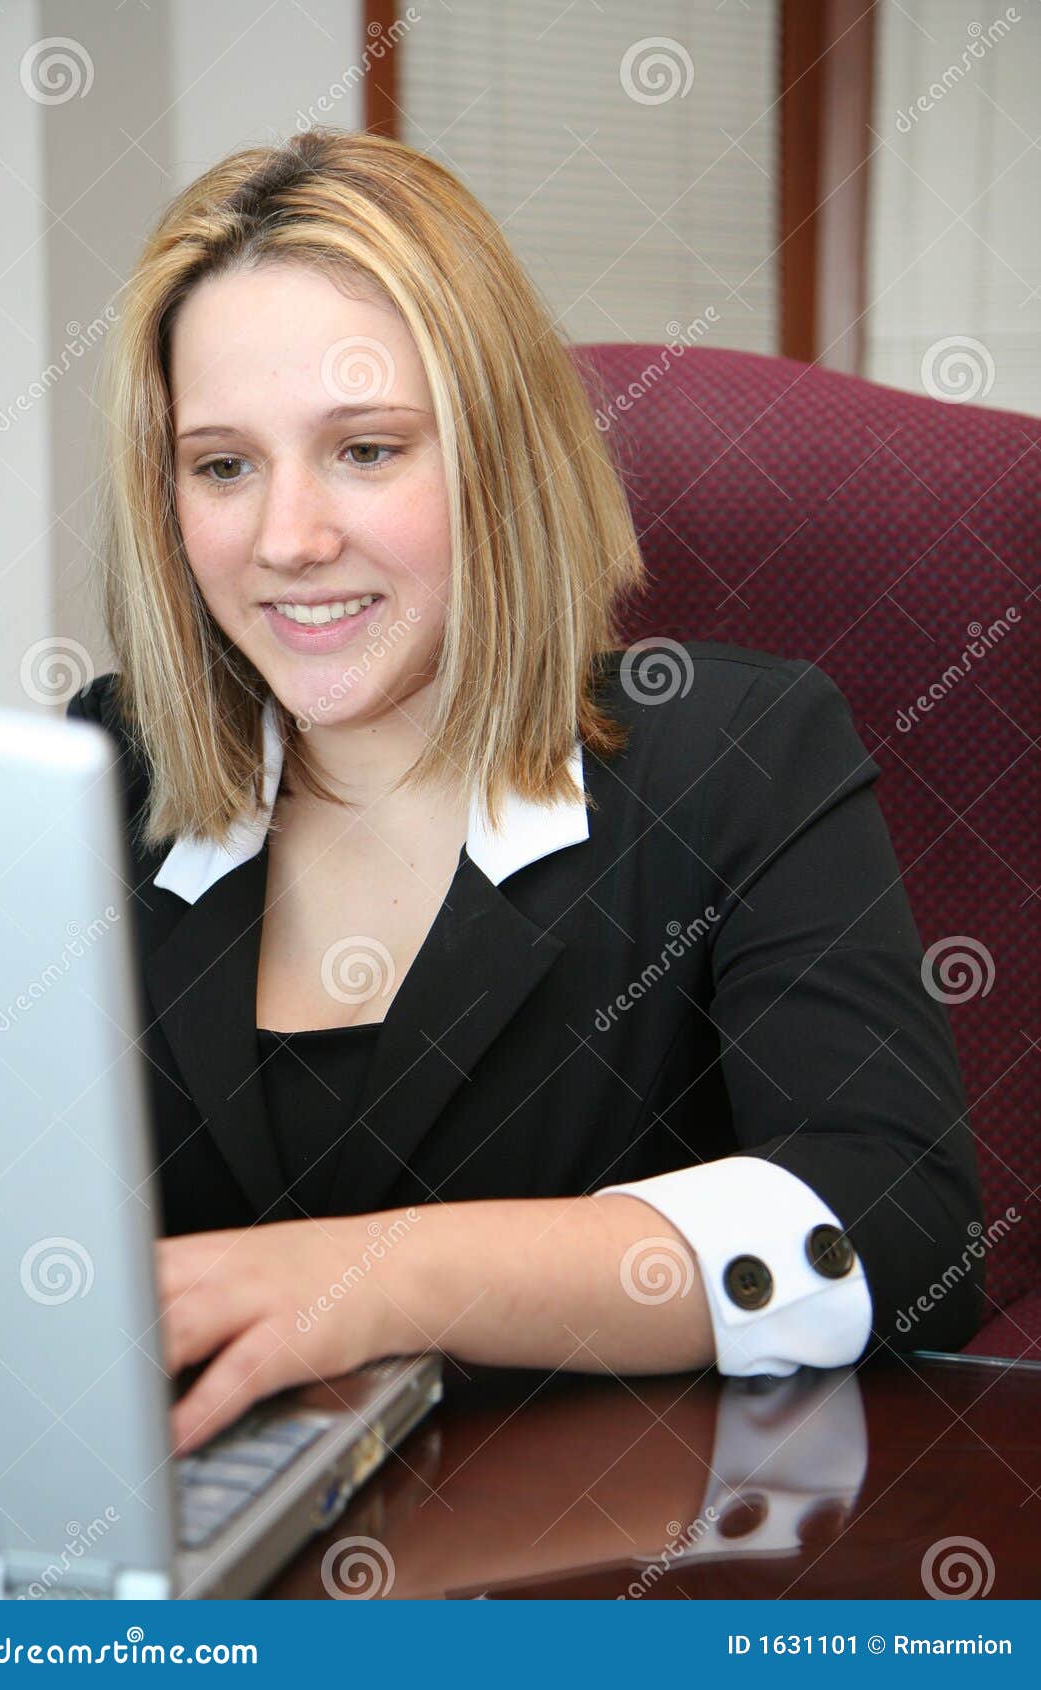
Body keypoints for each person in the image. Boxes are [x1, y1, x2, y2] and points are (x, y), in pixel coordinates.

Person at [66, 127, 983, 1456]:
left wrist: (377, 1280)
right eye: (223, 465)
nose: (287, 538)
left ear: (501, 460)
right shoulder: (101, 777)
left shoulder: (736, 755)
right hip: (199, 1542)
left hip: (615, 1548)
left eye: (366, 449)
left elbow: (896, 1226)